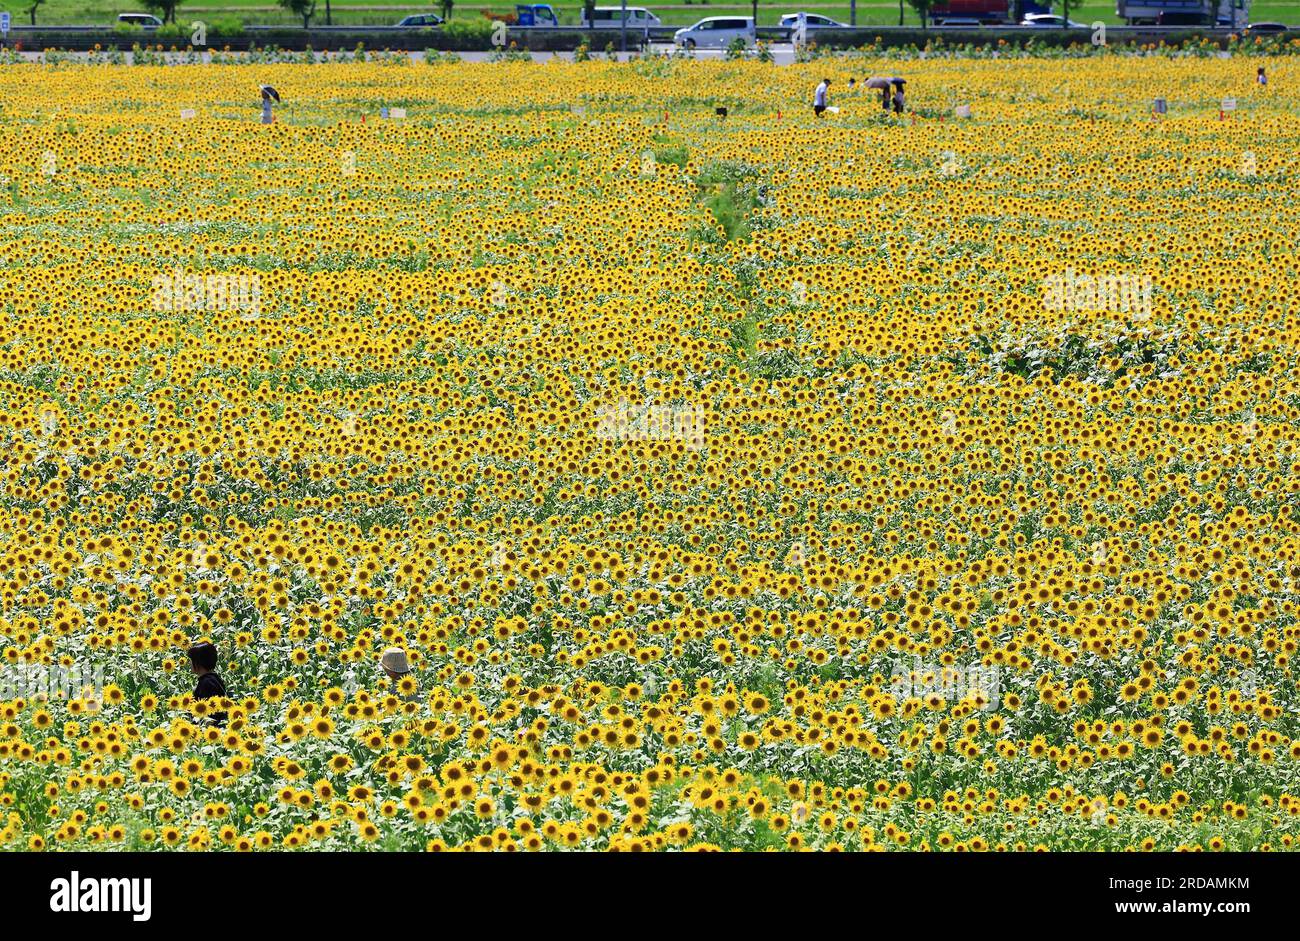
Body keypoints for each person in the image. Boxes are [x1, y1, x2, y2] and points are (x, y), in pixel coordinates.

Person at [187, 642, 228, 723]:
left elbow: (210, 714)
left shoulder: (207, 683)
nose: (189, 663)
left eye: (191, 660)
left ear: (198, 662)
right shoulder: (214, 679)